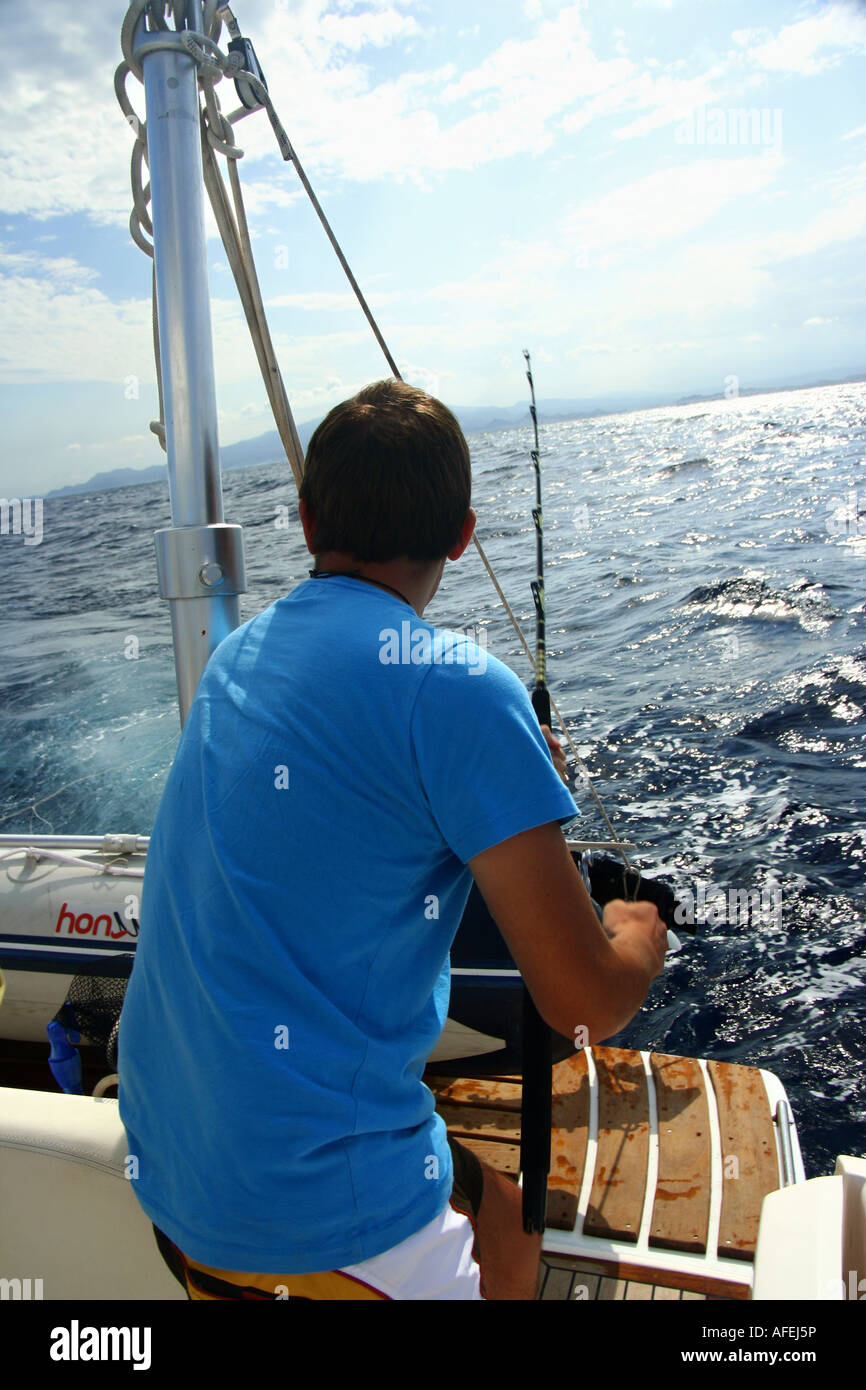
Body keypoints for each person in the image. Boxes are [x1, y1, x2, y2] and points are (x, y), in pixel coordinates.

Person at [118, 378, 667, 1301]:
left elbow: (348, 803)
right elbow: (585, 1007)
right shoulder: (460, 688)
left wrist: (507, 786)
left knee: (503, 1212)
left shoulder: (234, 658)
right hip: (304, 1215)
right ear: (463, 533)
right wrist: (636, 938)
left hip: (172, 1157)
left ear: (302, 521)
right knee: (516, 1232)